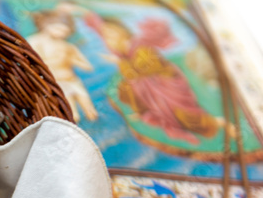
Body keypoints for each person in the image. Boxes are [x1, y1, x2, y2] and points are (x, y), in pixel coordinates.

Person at [86, 12, 221, 144]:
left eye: (111, 34)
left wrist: (120, 62)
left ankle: (218, 124)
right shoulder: (121, 48)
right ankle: (147, 112)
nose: (109, 38)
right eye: (106, 36)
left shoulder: (139, 46)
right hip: (151, 85)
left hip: (166, 84)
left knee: (184, 115)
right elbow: (133, 73)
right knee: (126, 89)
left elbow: (146, 69)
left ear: (120, 31)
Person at [28, 9, 99, 123]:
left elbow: (88, 67)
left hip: (73, 81)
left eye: (66, 31)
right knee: (72, 115)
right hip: (57, 83)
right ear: (46, 26)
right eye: (58, 28)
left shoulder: (68, 47)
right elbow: (30, 61)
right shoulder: (36, 41)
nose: (62, 33)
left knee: (91, 112)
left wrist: (72, 59)